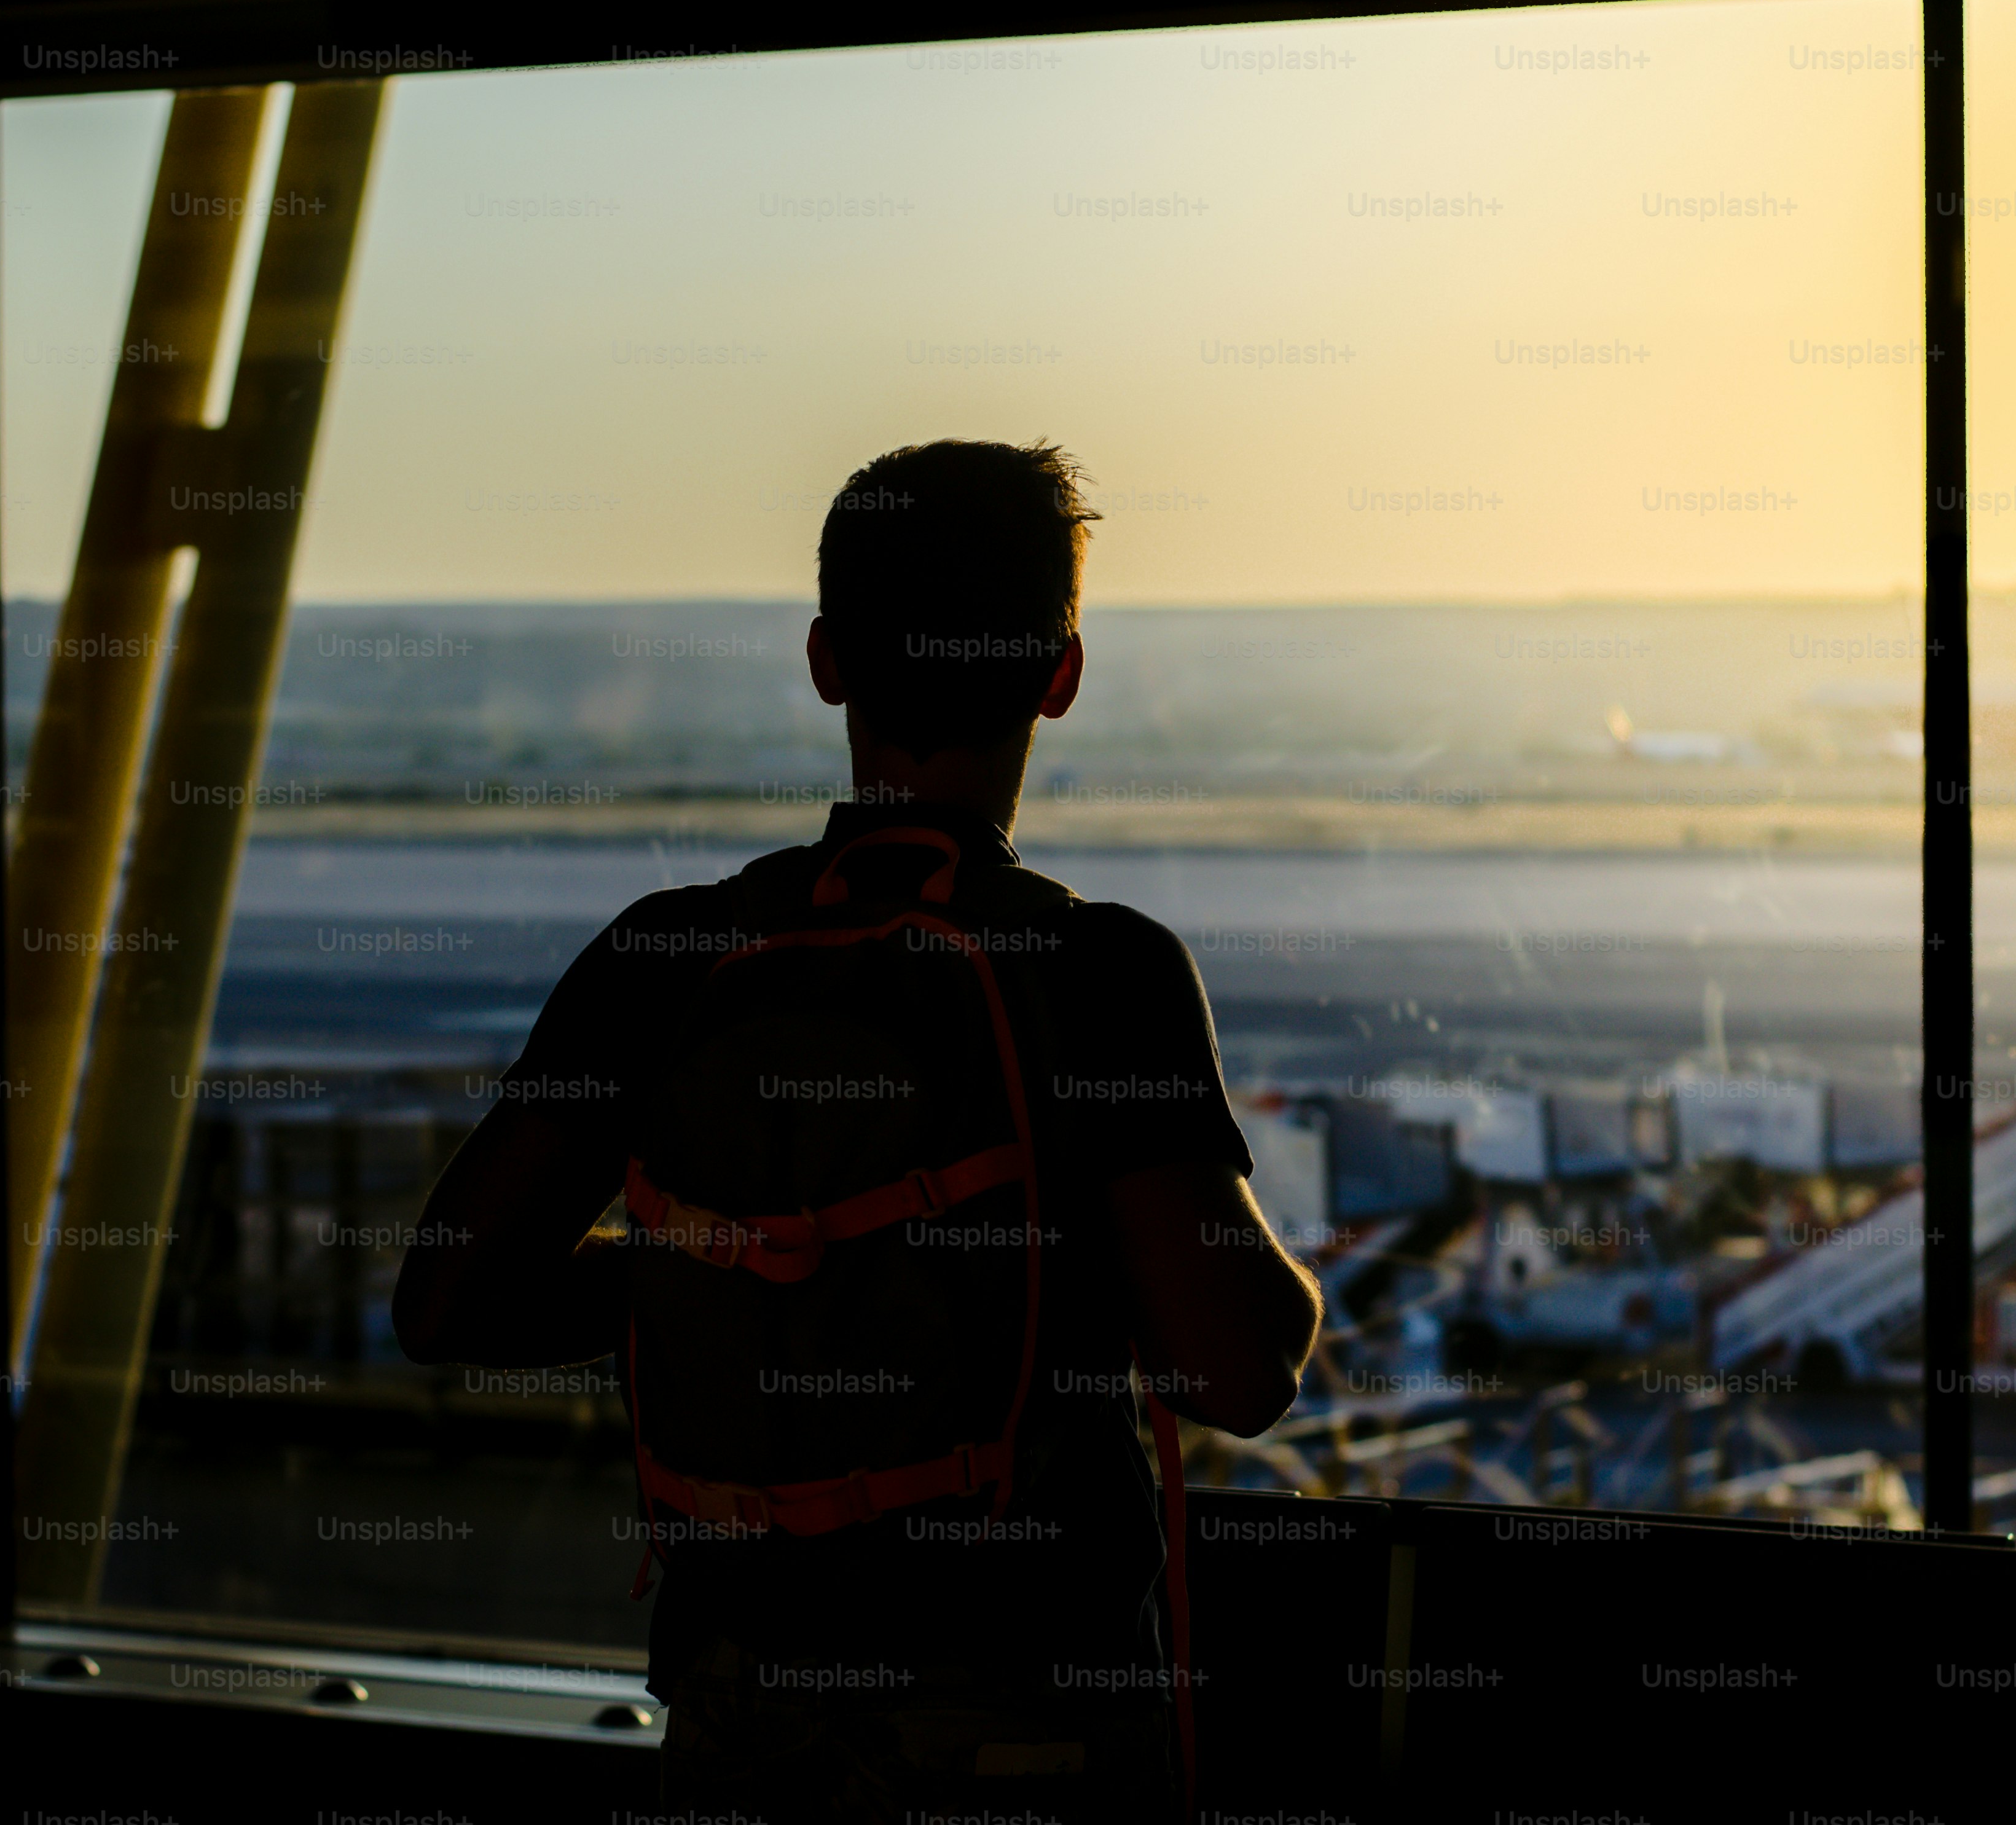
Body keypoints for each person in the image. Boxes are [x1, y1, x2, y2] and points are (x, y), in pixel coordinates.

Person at [393, 438, 1322, 1821]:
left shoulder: (670, 955)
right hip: (1027, 1717)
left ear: (827, 659)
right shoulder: (1101, 973)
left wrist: (724, 1260)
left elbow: (450, 1299)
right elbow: (1239, 1372)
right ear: (1060, 677)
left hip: (740, 1711)